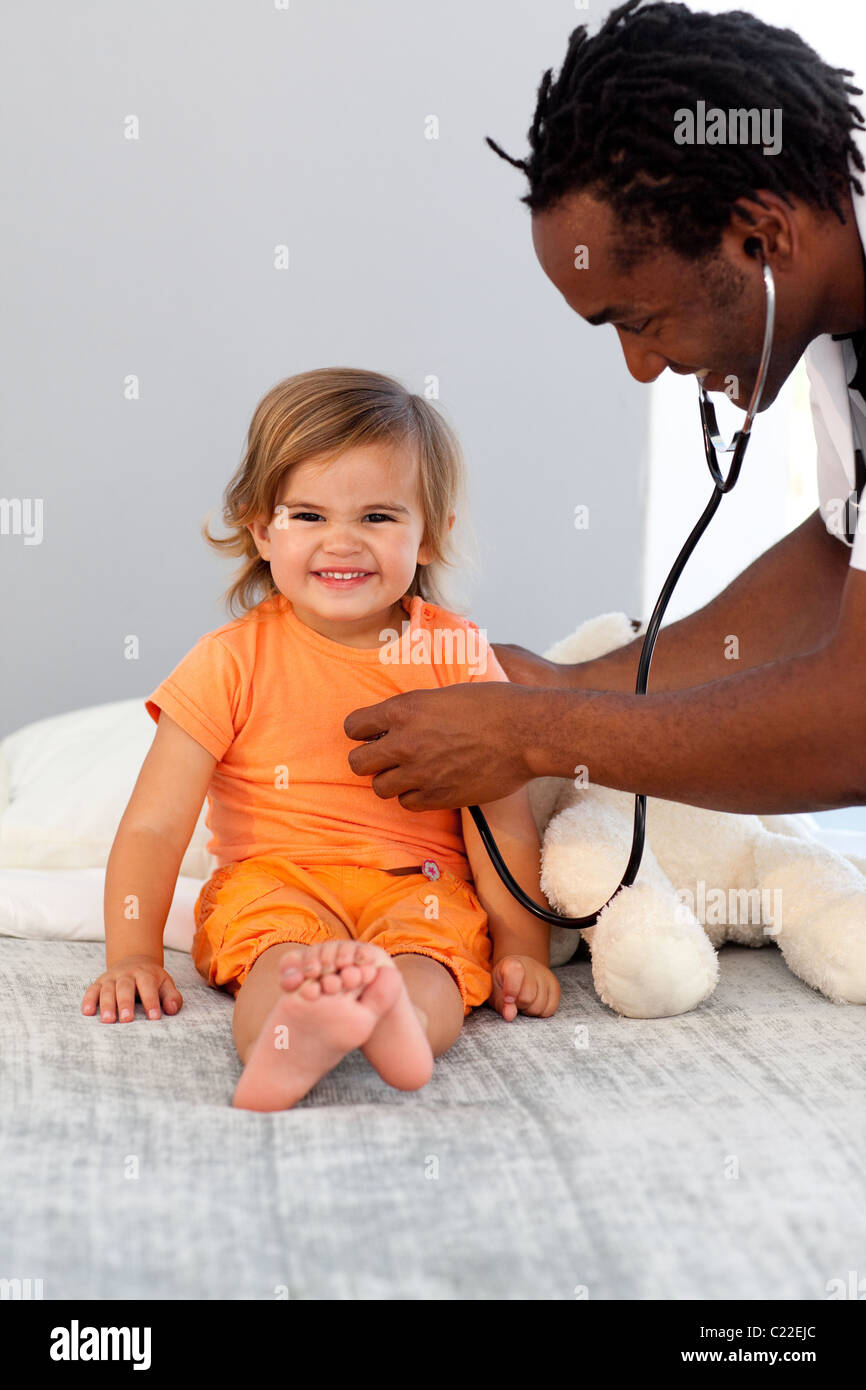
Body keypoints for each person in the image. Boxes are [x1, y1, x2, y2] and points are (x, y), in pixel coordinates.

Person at [343, 0, 866, 819]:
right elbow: (840, 556)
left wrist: (537, 734)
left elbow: (854, 725)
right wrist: (568, 682)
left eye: (640, 319)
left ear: (763, 238)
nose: (641, 366)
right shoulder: (840, 311)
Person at [81, 368, 560, 1112]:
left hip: (418, 889)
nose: (343, 542)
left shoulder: (457, 655)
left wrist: (525, 952)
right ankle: (290, 1035)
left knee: (429, 970)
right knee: (278, 960)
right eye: (308, 515)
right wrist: (133, 956)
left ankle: (399, 1023)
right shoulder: (228, 660)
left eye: (377, 516)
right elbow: (152, 824)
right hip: (276, 882)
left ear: (430, 534)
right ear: (260, 527)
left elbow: (503, 820)